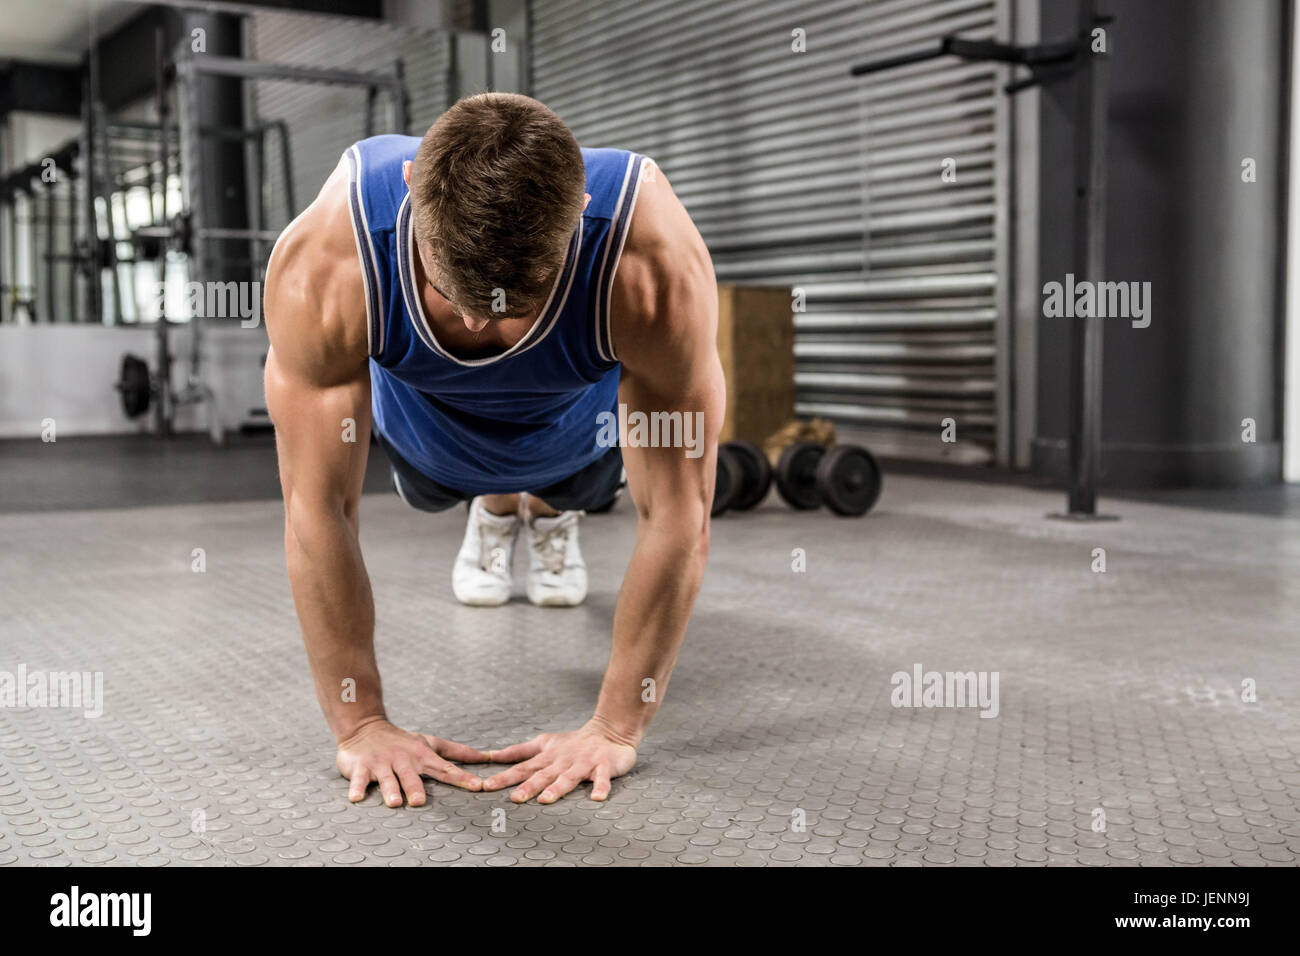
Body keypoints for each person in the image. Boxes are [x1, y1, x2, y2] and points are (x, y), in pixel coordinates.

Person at [263, 93, 723, 807]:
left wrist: (614, 728)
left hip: (577, 444)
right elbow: (317, 506)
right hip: (429, 448)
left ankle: (539, 507)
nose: (478, 319)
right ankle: (495, 507)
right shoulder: (329, 260)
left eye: (518, 306)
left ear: (580, 216)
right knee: (432, 488)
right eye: (451, 293)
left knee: (583, 487)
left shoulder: (650, 263)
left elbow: (680, 514)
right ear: (412, 181)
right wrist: (360, 725)